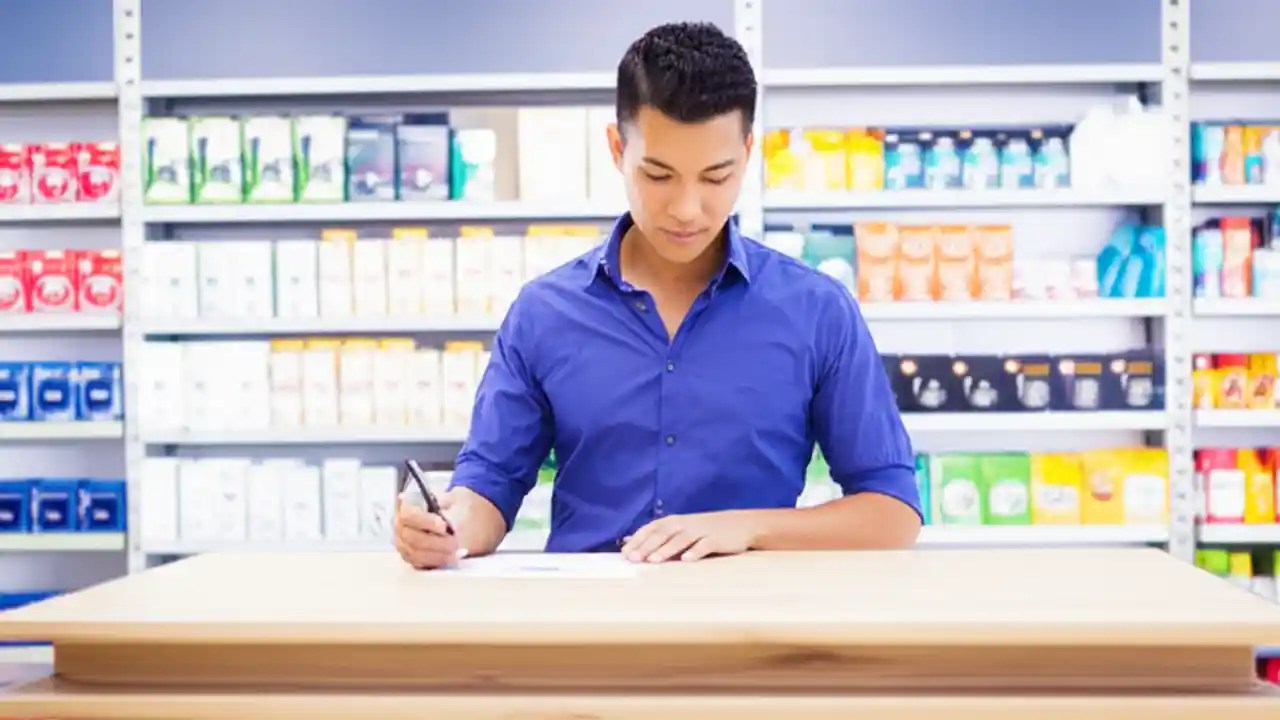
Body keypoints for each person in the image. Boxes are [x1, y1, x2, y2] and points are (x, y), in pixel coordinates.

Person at [394, 21, 921, 570]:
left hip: (751, 630)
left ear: (747, 152)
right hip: (589, 630)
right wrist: (443, 530)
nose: (687, 209)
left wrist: (746, 526)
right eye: (659, 175)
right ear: (617, 148)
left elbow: (891, 511)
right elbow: (489, 488)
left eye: (716, 177)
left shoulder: (818, 311)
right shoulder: (543, 313)